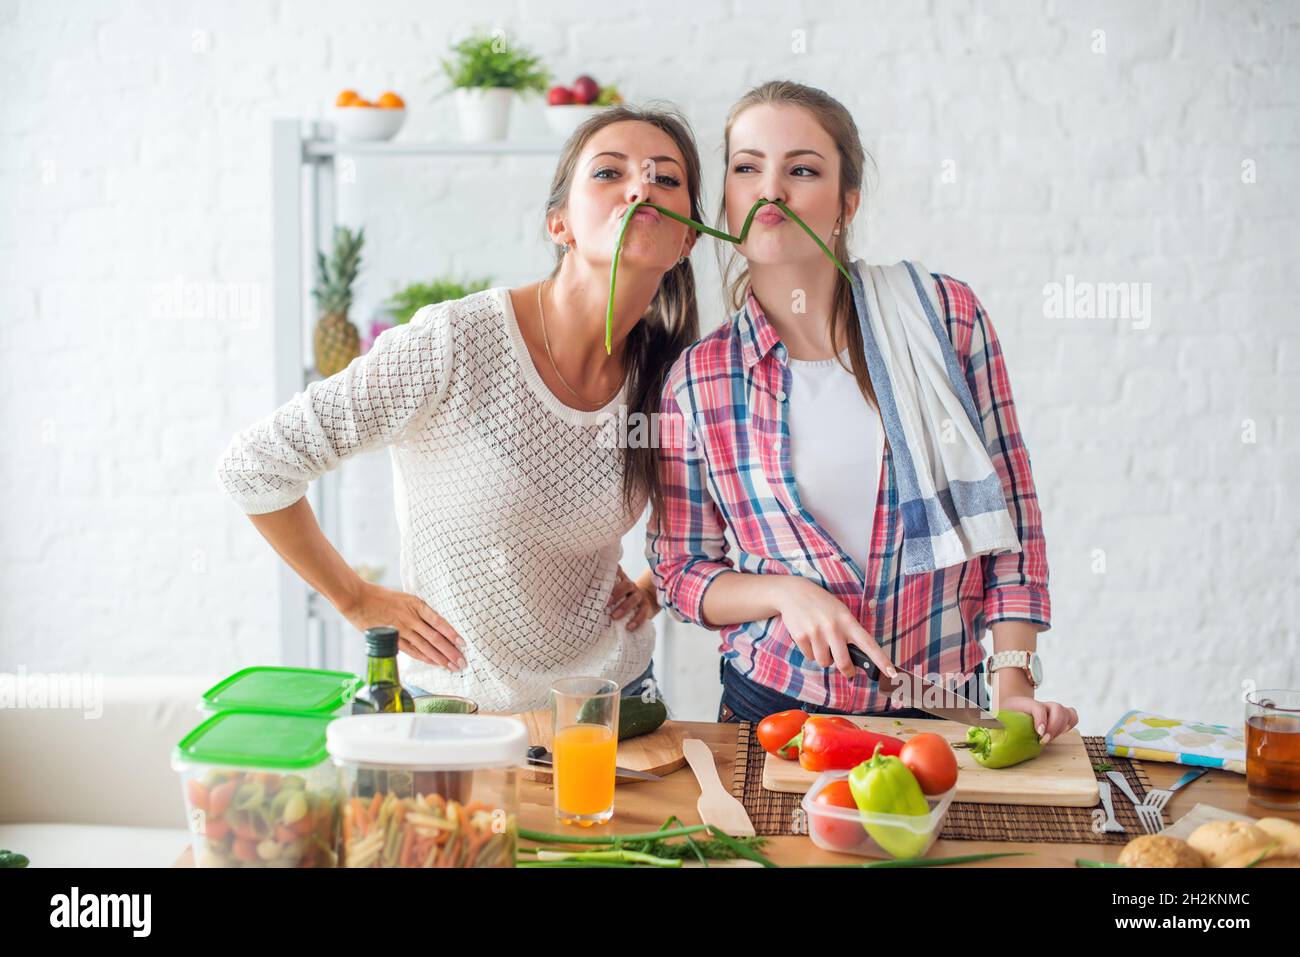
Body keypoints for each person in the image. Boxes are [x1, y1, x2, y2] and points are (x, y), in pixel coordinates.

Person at [217, 104, 704, 713]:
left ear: (686, 238)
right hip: (459, 709)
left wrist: (656, 584)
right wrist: (356, 600)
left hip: (615, 700)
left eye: (665, 178)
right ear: (561, 224)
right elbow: (255, 464)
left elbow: (716, 513)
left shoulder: (671, 372)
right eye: (609, 173)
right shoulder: (456, 342)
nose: (640, 187)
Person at [648, 80, 1078, 743]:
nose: (772, 189)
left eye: (802, 169)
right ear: (727, 201)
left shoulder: (943, 321)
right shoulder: (698, 380)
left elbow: (1010, 515)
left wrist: (1014, 682)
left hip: (941, 709)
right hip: (776, 713)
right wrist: (785, 592)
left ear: (846, 203)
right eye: (747, 167)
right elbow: (680, 571)